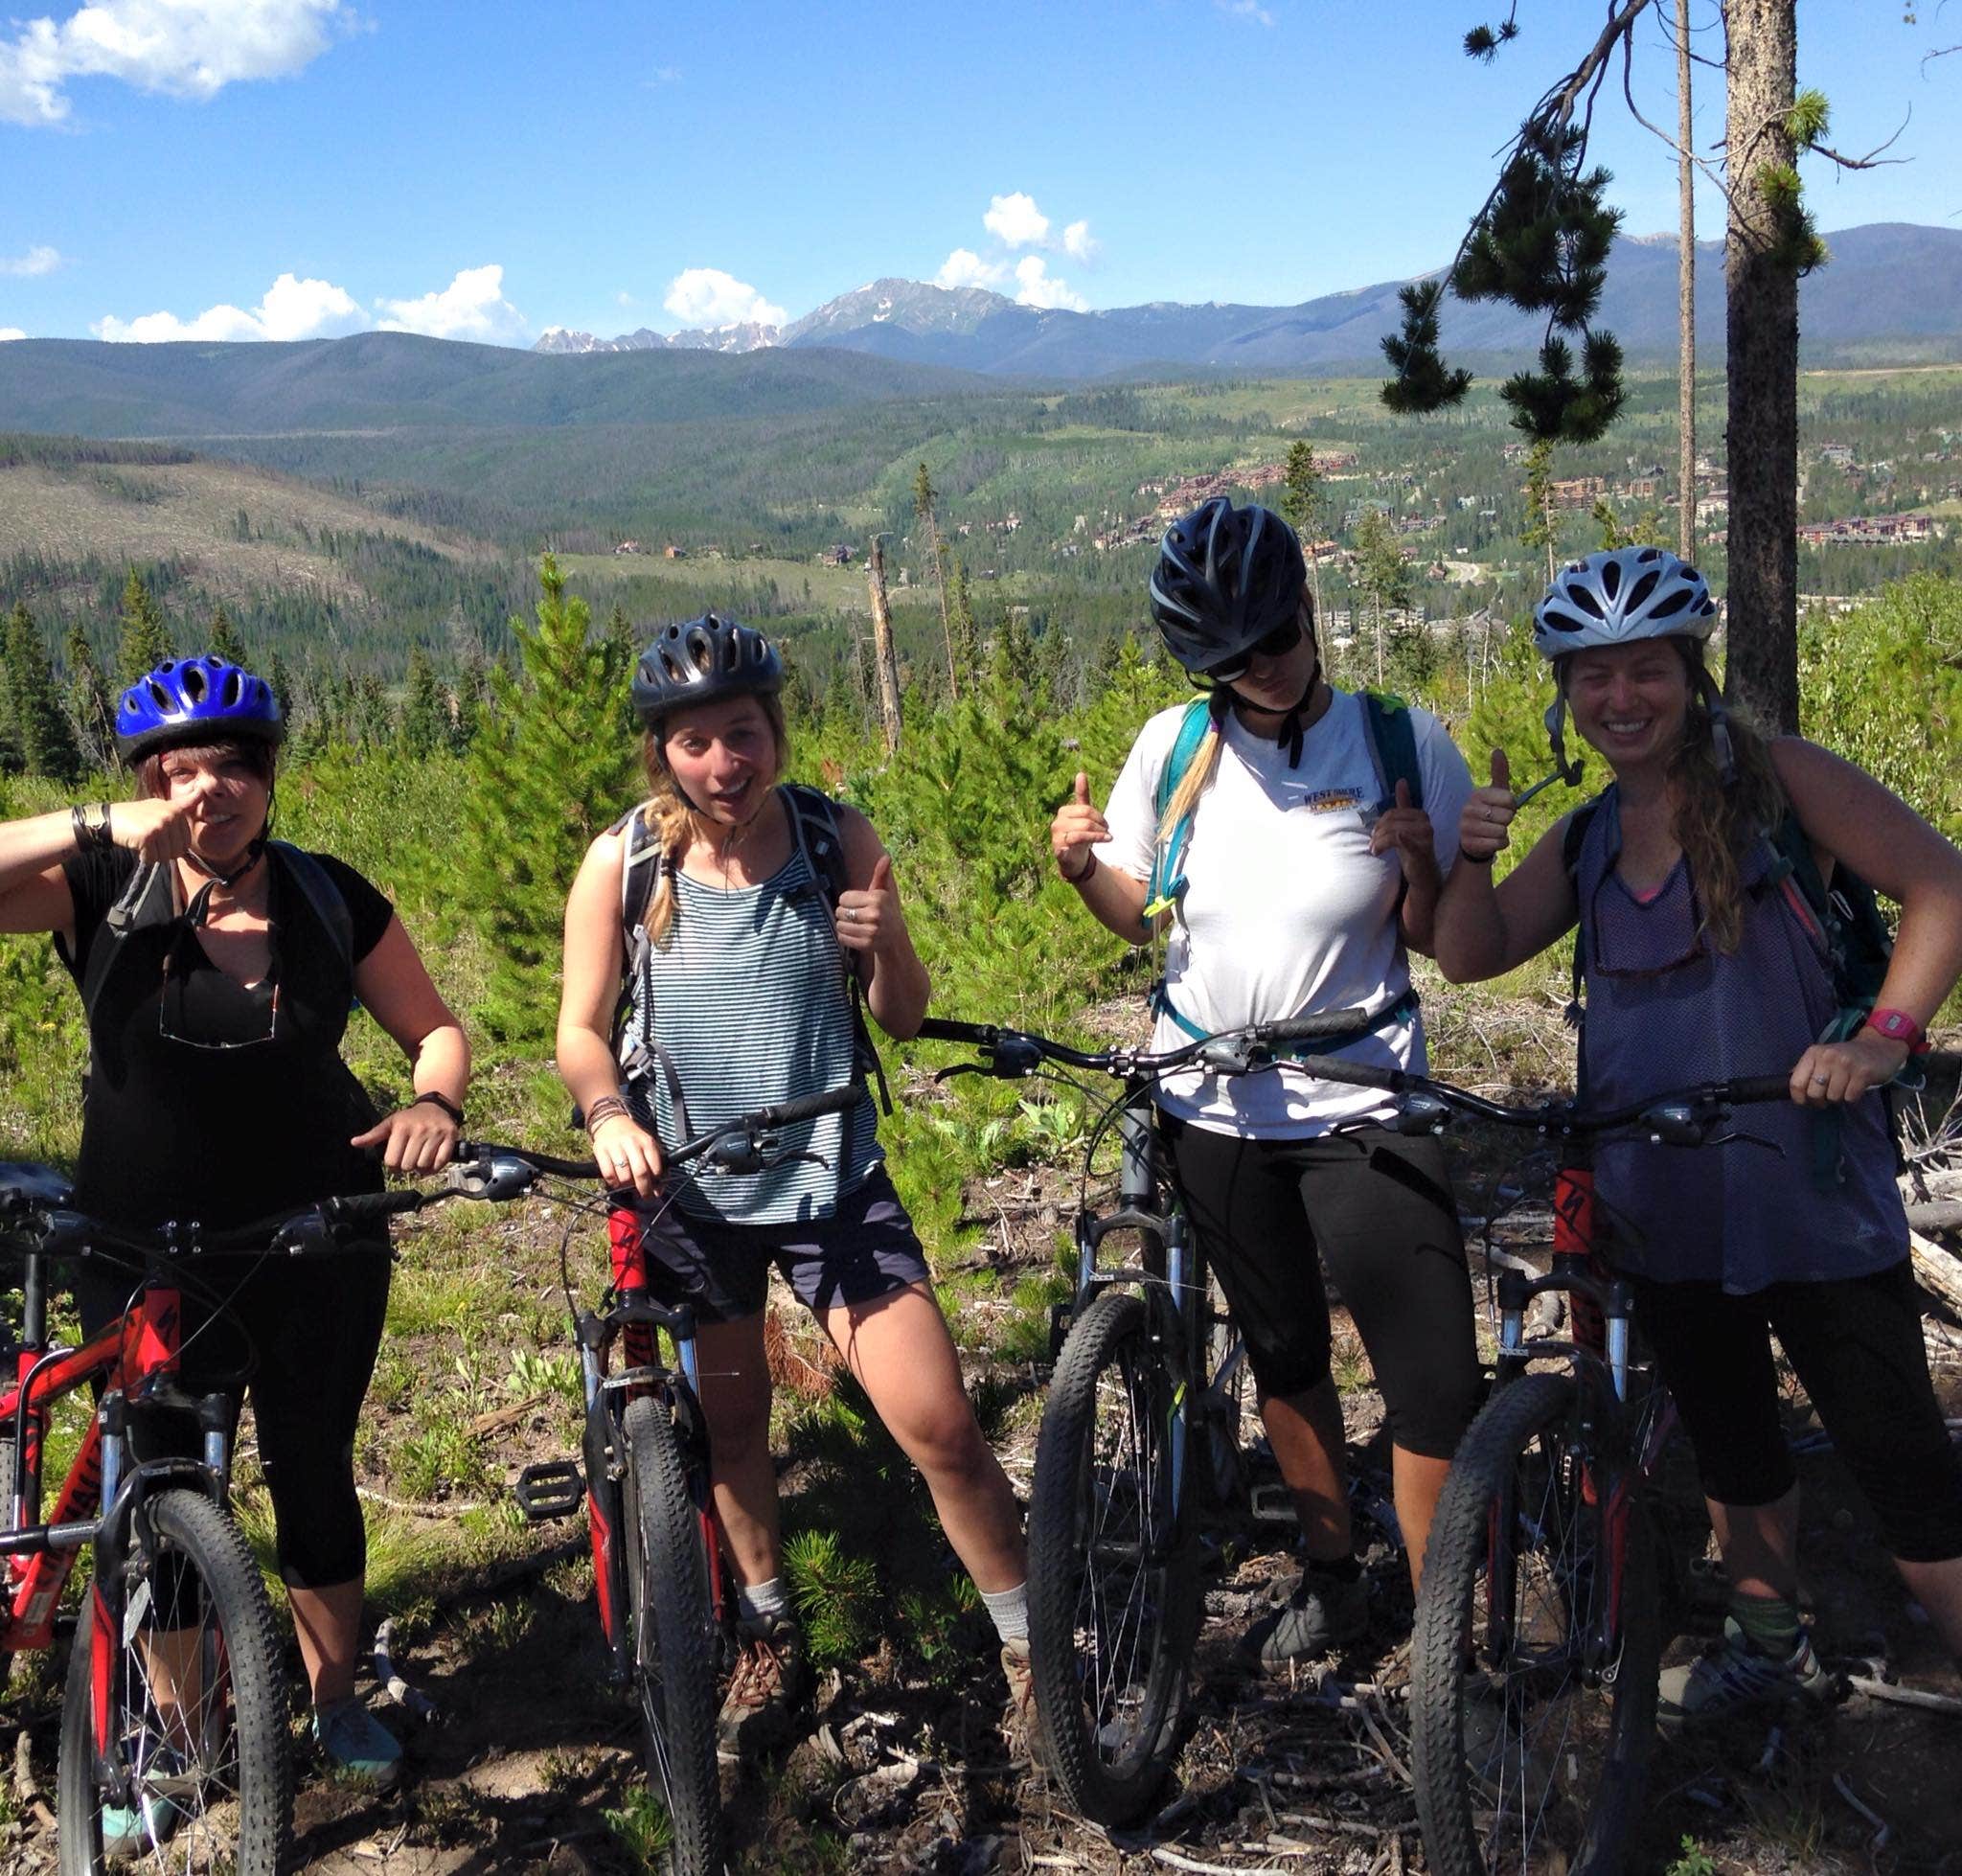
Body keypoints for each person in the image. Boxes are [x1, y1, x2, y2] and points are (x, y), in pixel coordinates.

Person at [1433, 545, 1962, 1724]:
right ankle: (1770, 1647)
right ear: (1563, 690)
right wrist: (1466, 855)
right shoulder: (1584, 839)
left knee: (1907, 1478)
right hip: (1655, 1195)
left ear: (1690, 671)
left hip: (1805, 1190)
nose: (1619, 700)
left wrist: (1883, 1036)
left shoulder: (1780, 781)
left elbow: (1944, 885)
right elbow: (1467, 953)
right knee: (1729, 1440)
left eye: (1645, 671)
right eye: (1592, 678)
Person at [555, 612, 1031, 1758]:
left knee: (940, 1427)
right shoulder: (624, 864)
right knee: (732, 1429)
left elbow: (901, 1016)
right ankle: (768, 1630)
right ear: (660, 752)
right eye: (696, 742)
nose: (725, 763)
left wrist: (888, 943)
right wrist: (608, 1112)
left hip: (831, 1178)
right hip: (689, 1190)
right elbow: (577, 1029)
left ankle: (1031, 1642)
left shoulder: (832, 837)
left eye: (744, 732)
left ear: (776, 729)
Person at [0, 654, 470, 1800]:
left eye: (231, 766)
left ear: (268, 777)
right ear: (146, 781)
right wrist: (105, 820)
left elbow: (436, 1028)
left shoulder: (324, 894)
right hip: (140, 1246)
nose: (205, 788)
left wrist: (434, 1101)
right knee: (162, 1490)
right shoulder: (101, 883)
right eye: (176, 768)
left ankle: (334, 1700)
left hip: (318, 1232)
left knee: (313, 1470)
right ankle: (186, 1732)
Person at [1050, 497, 1482, 1663]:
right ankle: (1333, 1573)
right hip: (1209, 1103)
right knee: (1285, 1350)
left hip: (1363, 1100)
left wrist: (1439, 862)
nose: (1262, 673)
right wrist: (1082, 864)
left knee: (1435, 1385)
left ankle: (1440, 1631)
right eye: (1228, 661)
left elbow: (1443, 937)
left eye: (1275, 643)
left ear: (1307, 611)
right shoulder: (1172, 749)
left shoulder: (1397, 742)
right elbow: (1138, 919)